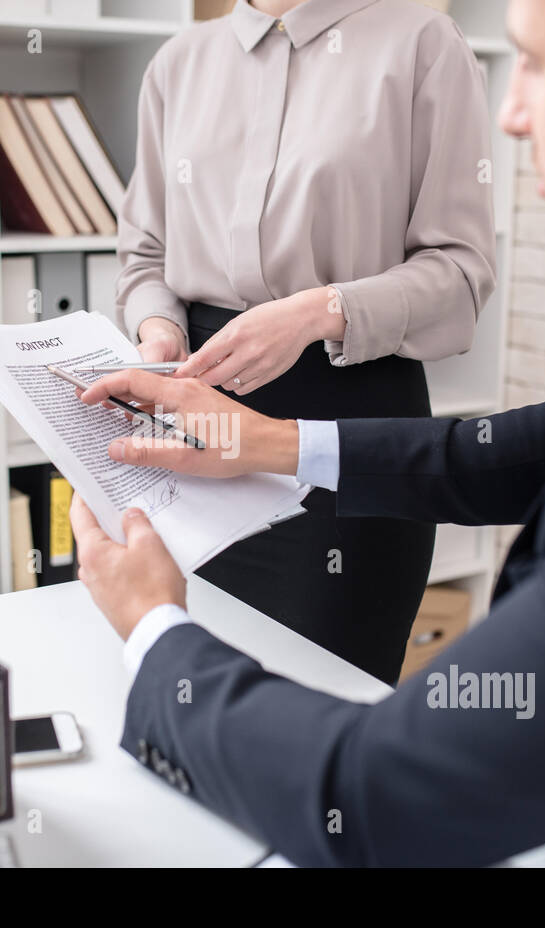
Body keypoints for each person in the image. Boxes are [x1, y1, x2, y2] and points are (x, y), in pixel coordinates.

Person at [70, 0, 545, 865]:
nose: (511, 116)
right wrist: (273, 444)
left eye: (537, 65)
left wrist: (153, 629)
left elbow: (370, 800)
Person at [114, 0, 497, 684]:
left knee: (319, 722)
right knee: (183, 693)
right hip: (189, 432)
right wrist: (161, 329)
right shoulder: (178, 63)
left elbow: (462, 273)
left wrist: (319, 312)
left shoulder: (421, 43)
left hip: (348, 436)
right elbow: (144, 254)